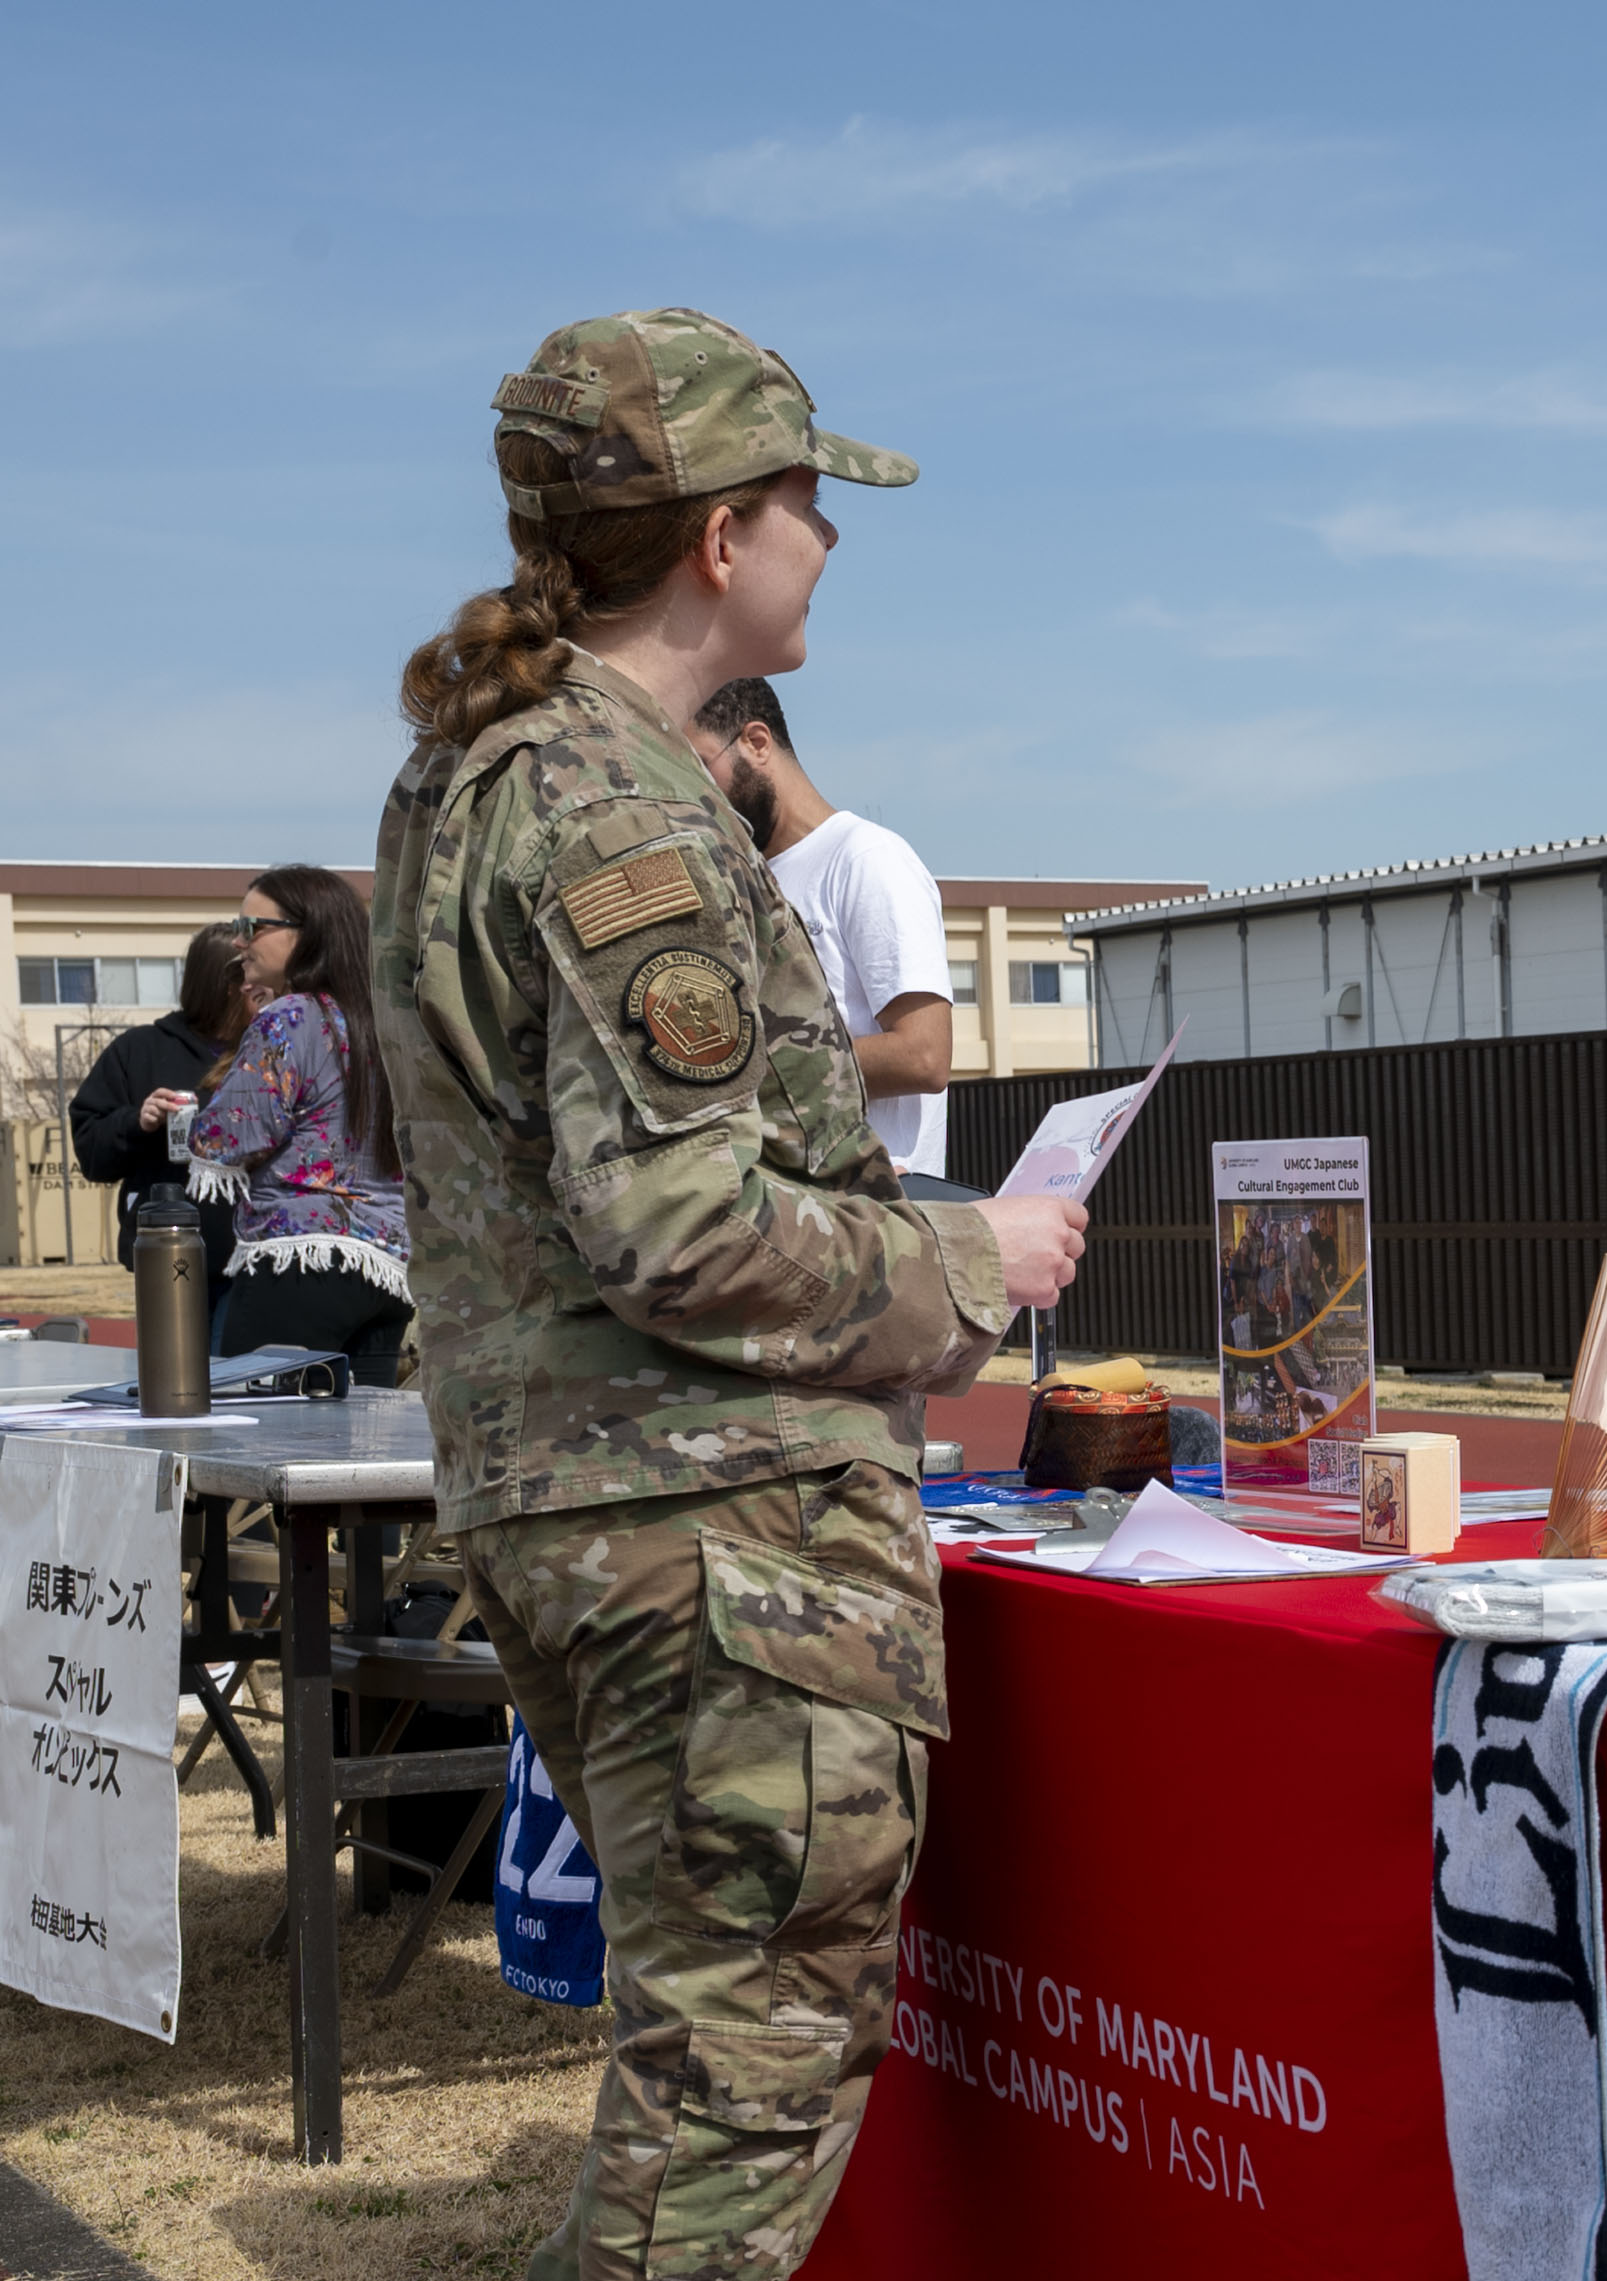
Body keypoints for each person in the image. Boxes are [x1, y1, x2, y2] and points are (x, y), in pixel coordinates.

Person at [371, 306, 1086, 2281]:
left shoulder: (479, 781)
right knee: (728, 2129)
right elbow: (680, 1229)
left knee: (693, 2098)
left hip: (596, 1524)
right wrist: (975, 1258)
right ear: (713, 538)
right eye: (800, 506)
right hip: (714, 1553)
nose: (824, 545)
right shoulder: (623, 817)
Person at [686, 675, 958, 1176]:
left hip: (879, 1215)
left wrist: (742, 1074)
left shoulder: (867, 860)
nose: (697, 795)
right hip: (789, 1211)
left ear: (756, 742)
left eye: (702, 767)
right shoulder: (744, 881)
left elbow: (924, 1055)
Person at [184, 869, 413, 1380]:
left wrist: (193, 1125)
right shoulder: (390, 1021)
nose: (239, 943)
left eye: (253, 926)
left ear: (309, 932)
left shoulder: (289, 1017)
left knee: (267, 1439)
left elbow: (228, 1136)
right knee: (363, 1446)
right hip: (390, 1268)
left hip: (298, 1262)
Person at [66, 920, 250, 1309]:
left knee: (236, 1366)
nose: (256, 984)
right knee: (175, 1365)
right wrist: (139, 1121)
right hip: (167, 1250)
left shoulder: (271, 1045)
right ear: (222, 983)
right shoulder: (139, 1049)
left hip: (254, 1253)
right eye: (246, 971)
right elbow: (91, 1153)